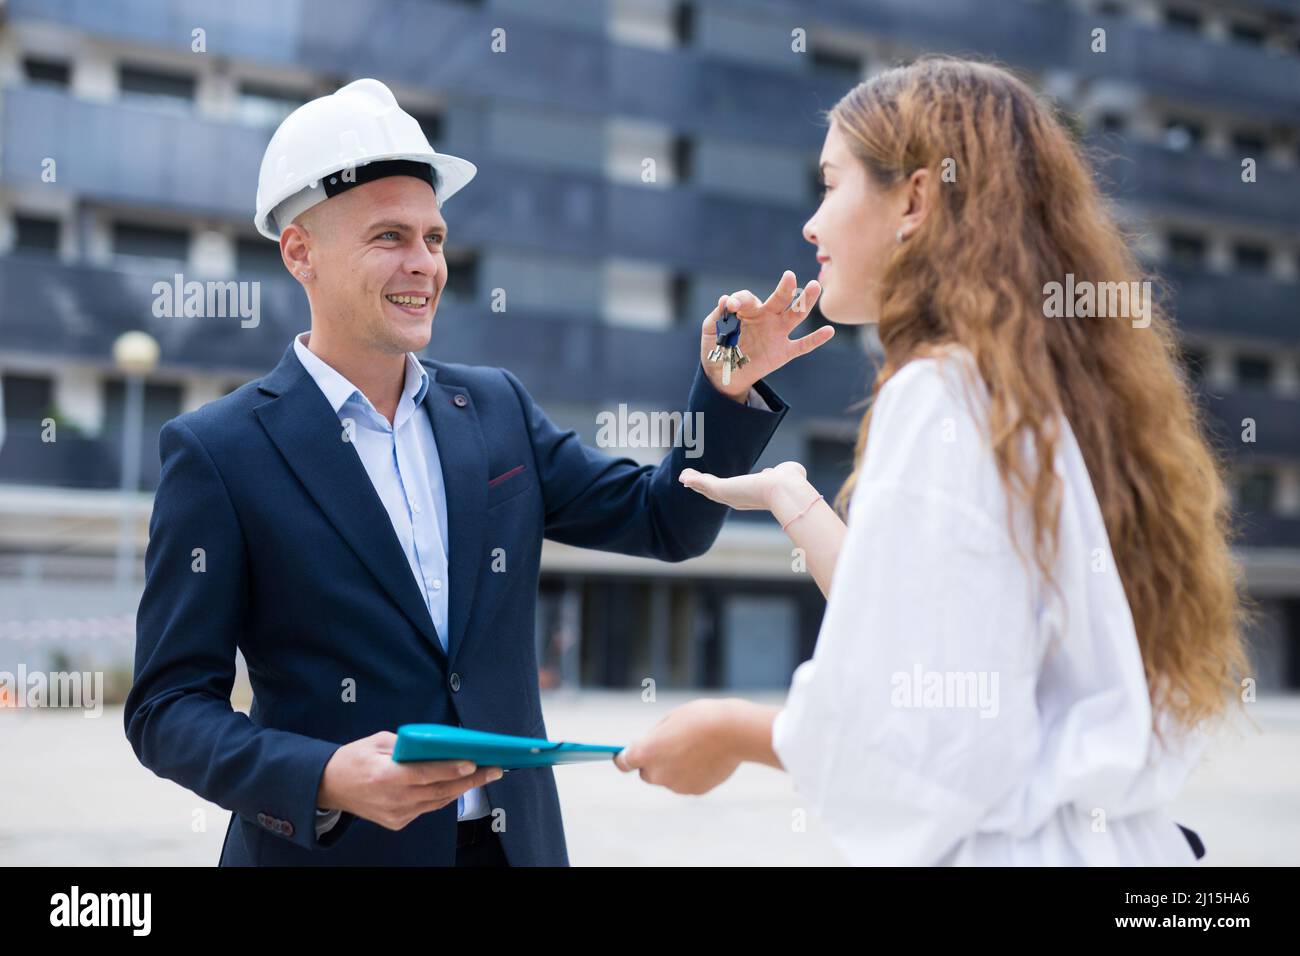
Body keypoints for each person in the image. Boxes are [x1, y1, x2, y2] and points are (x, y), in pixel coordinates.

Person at [123, 78, 832, 866]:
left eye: (433, 238)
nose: (424, 263)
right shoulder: (220, 452)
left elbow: (668, 520)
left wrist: (726, 390)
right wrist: (323, 774)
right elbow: (167, 708)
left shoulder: (494, 410)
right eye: (390, 236)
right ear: (300, 252)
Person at [614, 57, 1251, 866]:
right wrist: (791, 496)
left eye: (831, 185)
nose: (811, 226)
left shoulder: (938, 394)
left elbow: (931, 739)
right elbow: (942, 641)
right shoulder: (1042, 390)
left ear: (914, 199)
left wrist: (733, 733)